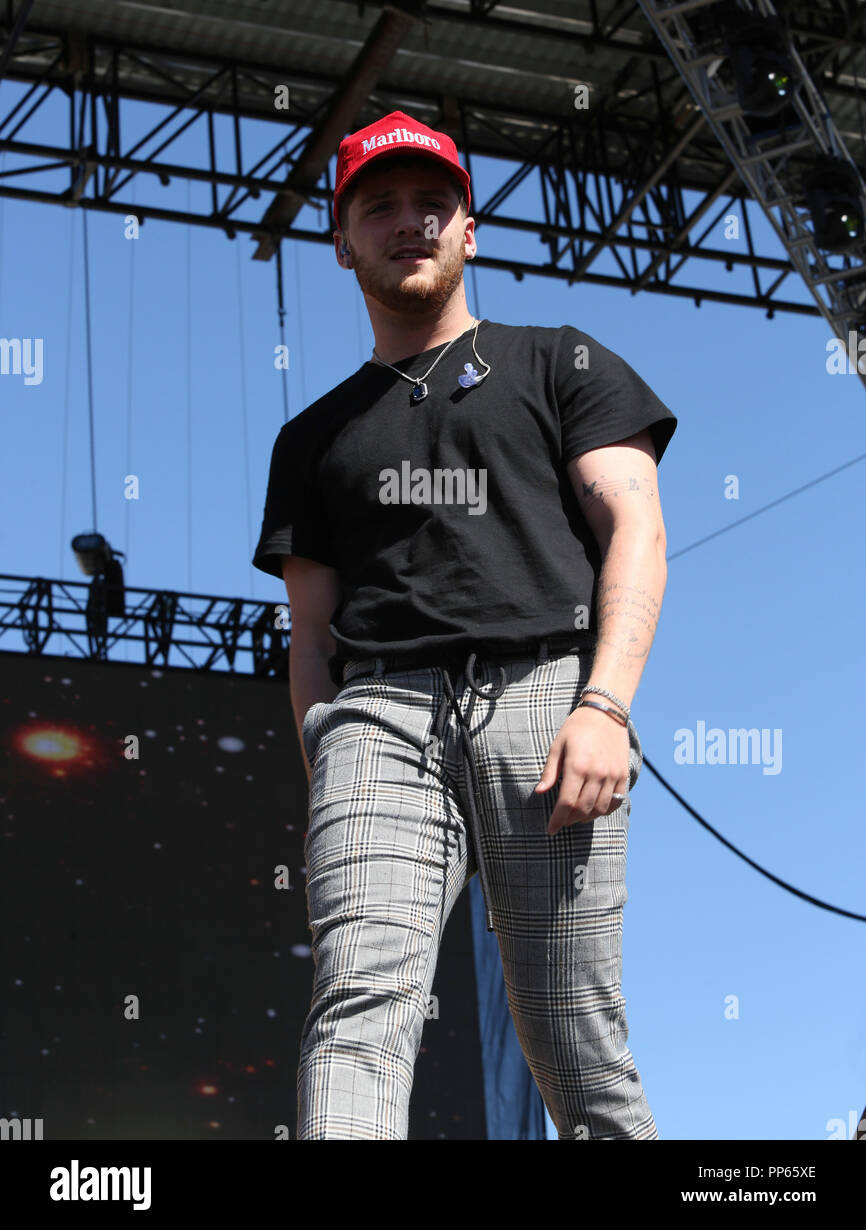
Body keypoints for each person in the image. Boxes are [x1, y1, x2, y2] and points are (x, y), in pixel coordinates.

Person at [252, 109, 677, 1140]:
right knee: (357, 1007)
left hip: (548, 696)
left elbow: (636, 526)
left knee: (576, 1041)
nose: (411, 222)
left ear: (470, 231)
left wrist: (604, 704)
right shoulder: (311, 437)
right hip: (379, 715)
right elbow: (308, 631)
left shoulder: (558, 362)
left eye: (432, 203)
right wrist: (331, 755)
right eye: (380, 206)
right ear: (341, 239)